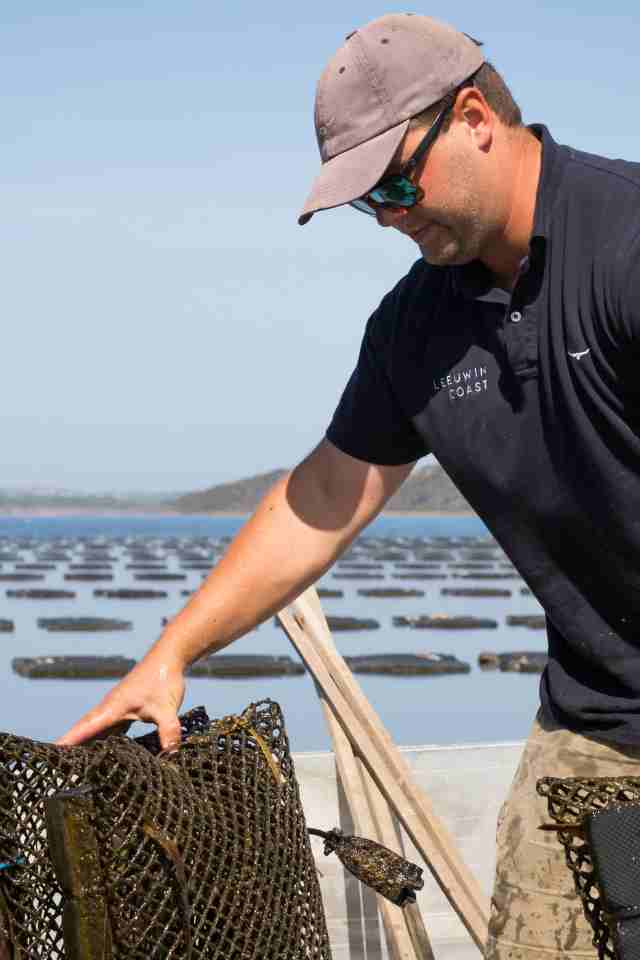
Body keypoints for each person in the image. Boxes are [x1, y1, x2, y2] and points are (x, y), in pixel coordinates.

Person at [58, 13, 640, 958]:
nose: (393, 217)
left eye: (398, 182)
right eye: (369, 203)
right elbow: (324, 496)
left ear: (475, 117)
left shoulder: (623, 245)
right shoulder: (417, 327)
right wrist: (171, 654)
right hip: (590, 719)